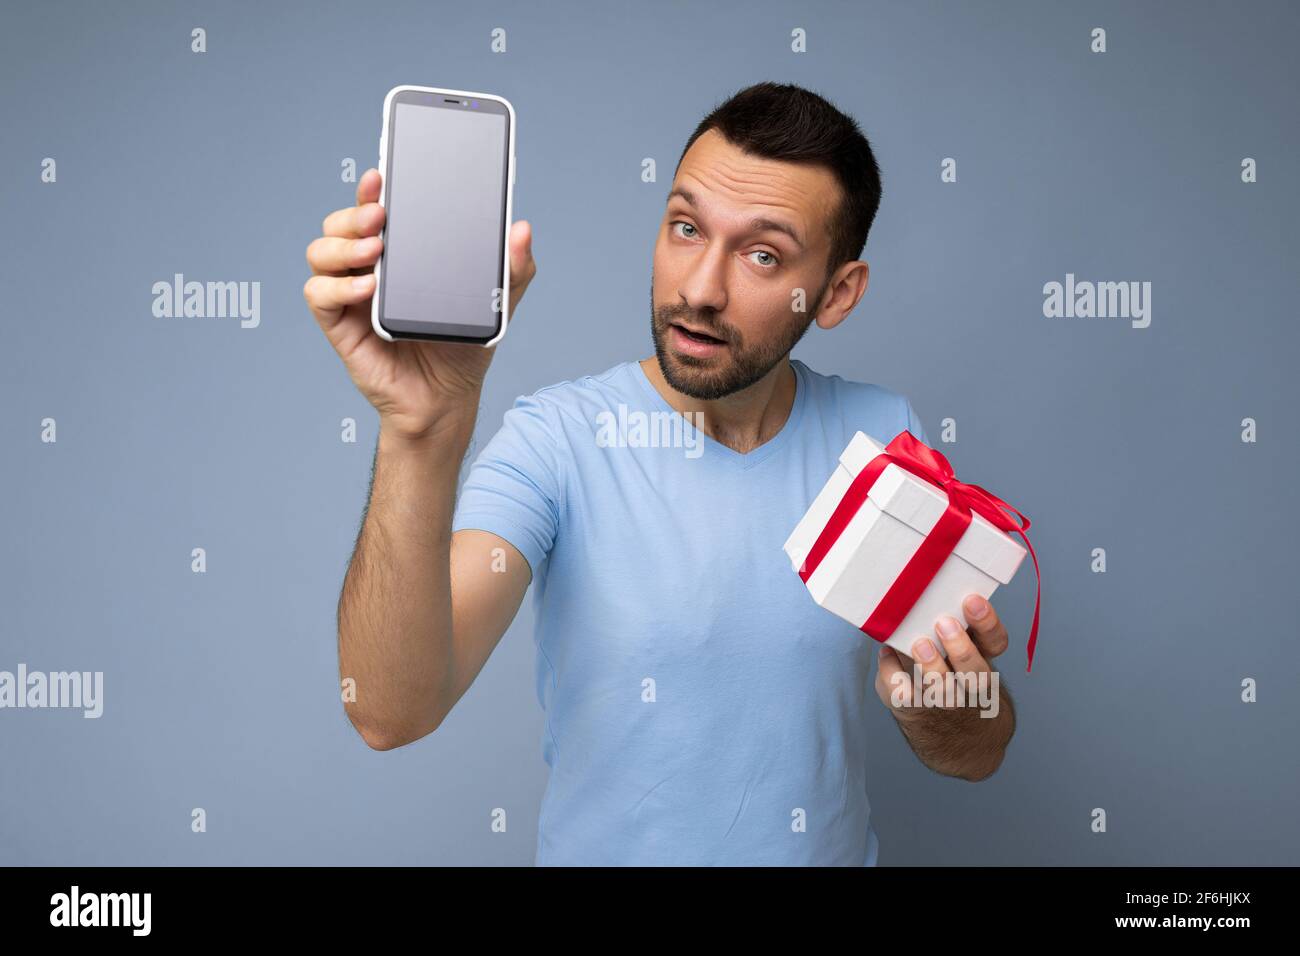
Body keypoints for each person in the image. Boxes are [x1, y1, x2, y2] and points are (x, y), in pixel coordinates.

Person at [303, 81, 1017, 866]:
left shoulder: (885, 441)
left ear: (837, 293)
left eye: (762, 254)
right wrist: (420, 429)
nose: (700, 289)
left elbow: (977, 753)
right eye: (685, 227)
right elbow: (389, 713)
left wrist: (944, 706)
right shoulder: (558, 440)